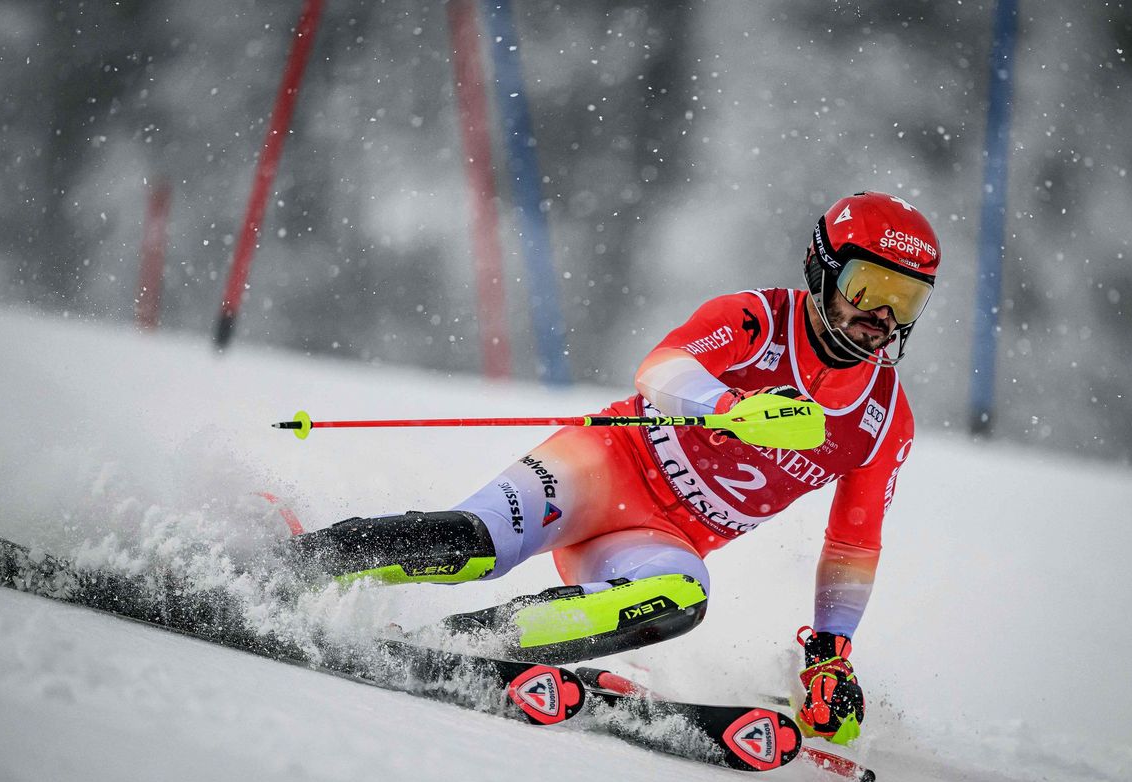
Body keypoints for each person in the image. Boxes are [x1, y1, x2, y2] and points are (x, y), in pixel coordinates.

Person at [284, 191, 940, 746]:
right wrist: (731, 407)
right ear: (822, 270)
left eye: (903, 301)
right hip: (602, 469)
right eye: (866, 287)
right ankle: (284, 565)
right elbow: (659, 370)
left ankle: (469, 645)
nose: (880, 318)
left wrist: (830, 656)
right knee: (473, 544)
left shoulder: (884, 418)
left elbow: (854, 541)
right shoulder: (755, 319)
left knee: (682, 598)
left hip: (660, 541)